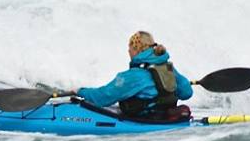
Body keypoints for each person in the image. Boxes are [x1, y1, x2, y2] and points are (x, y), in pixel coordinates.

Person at [55, 31, 194, 122]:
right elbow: (187, 92)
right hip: (164, 119)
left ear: (136, 50)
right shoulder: (168, 68)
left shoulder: (134, 76)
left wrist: (79, 91)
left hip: (144, 121)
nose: (128, 52)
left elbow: (102, 97)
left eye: (130, 48)